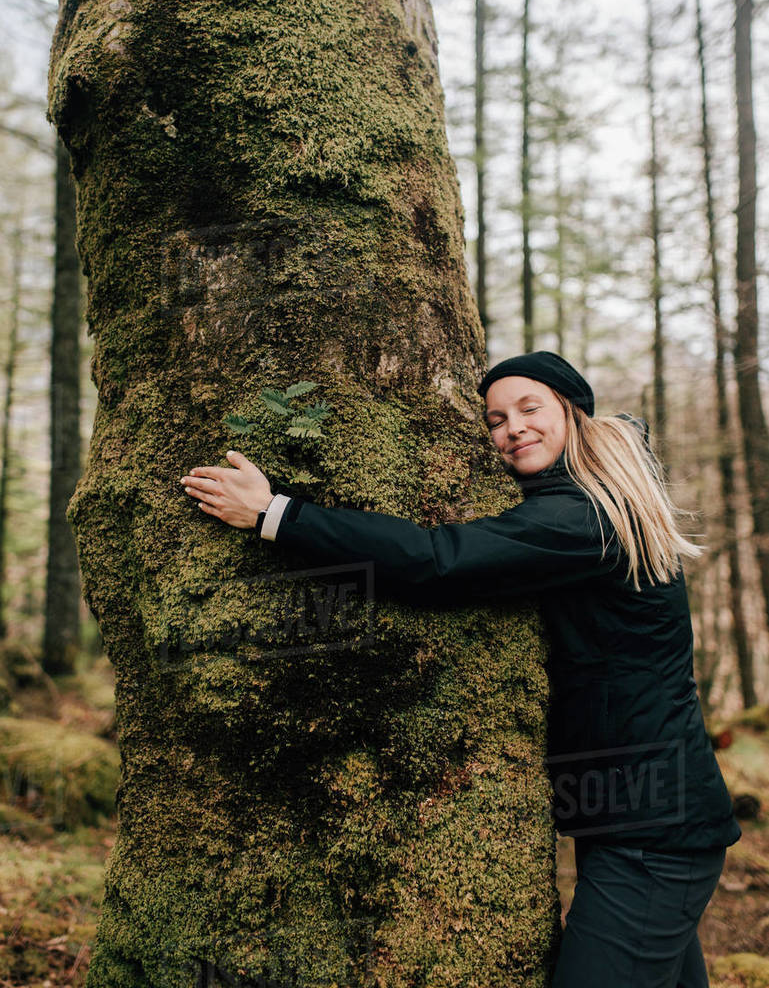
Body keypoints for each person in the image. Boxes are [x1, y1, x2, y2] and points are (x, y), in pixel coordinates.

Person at [180, 351, 741, 987]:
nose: (513, 429)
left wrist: (276, 514)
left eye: (531, 409)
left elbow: (438, 561)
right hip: (642, 814)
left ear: (573, 413)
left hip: (652, 832)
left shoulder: (584, 517)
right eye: (496, 419)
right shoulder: (596, 501)